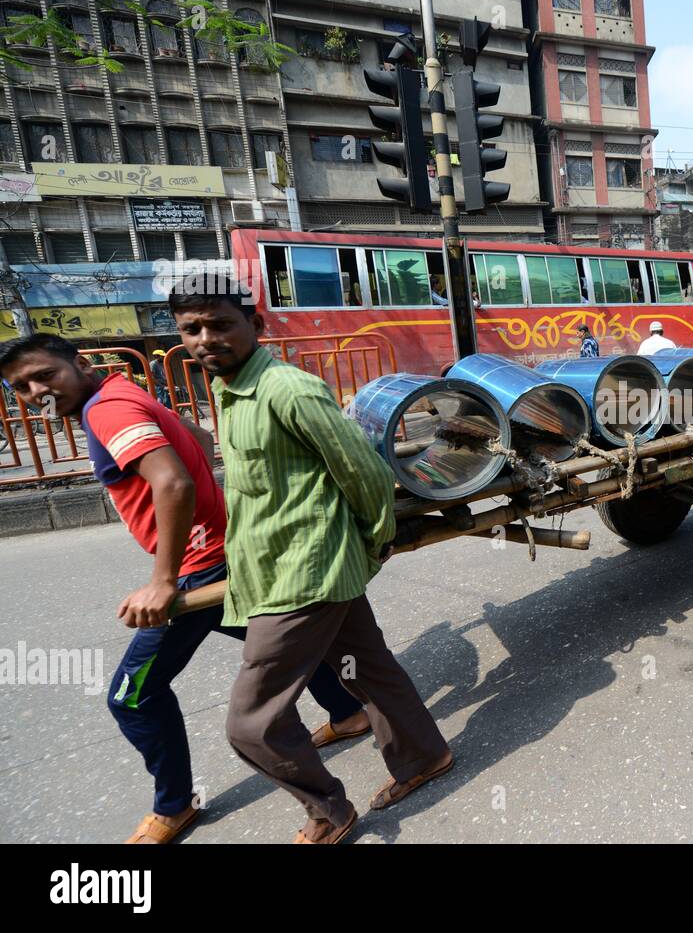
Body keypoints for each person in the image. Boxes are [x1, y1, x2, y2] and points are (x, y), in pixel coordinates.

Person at [0, 334, 368, 844]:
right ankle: (349, 713)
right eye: (21, 386)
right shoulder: (123, 393)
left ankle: (175, 805)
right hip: (222, 550)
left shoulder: (107, 411)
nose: (37, 390)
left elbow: (173, 482)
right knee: (266, 640)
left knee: (133, 698)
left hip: (198, 567)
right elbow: (199, 438)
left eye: (46, 375)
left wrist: (164, 581)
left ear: (80, 364)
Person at [170, 274, 453, 844]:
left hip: (303, 577)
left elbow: (362, 471)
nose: (205, 338)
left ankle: (328, 812)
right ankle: (423, 756)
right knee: (369, 669)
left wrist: (375, 542)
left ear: (254, 325)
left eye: (220, 324)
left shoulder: (288, 390)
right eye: (191, 329)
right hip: (287, 567)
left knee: (252, 723)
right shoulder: (231, 390)